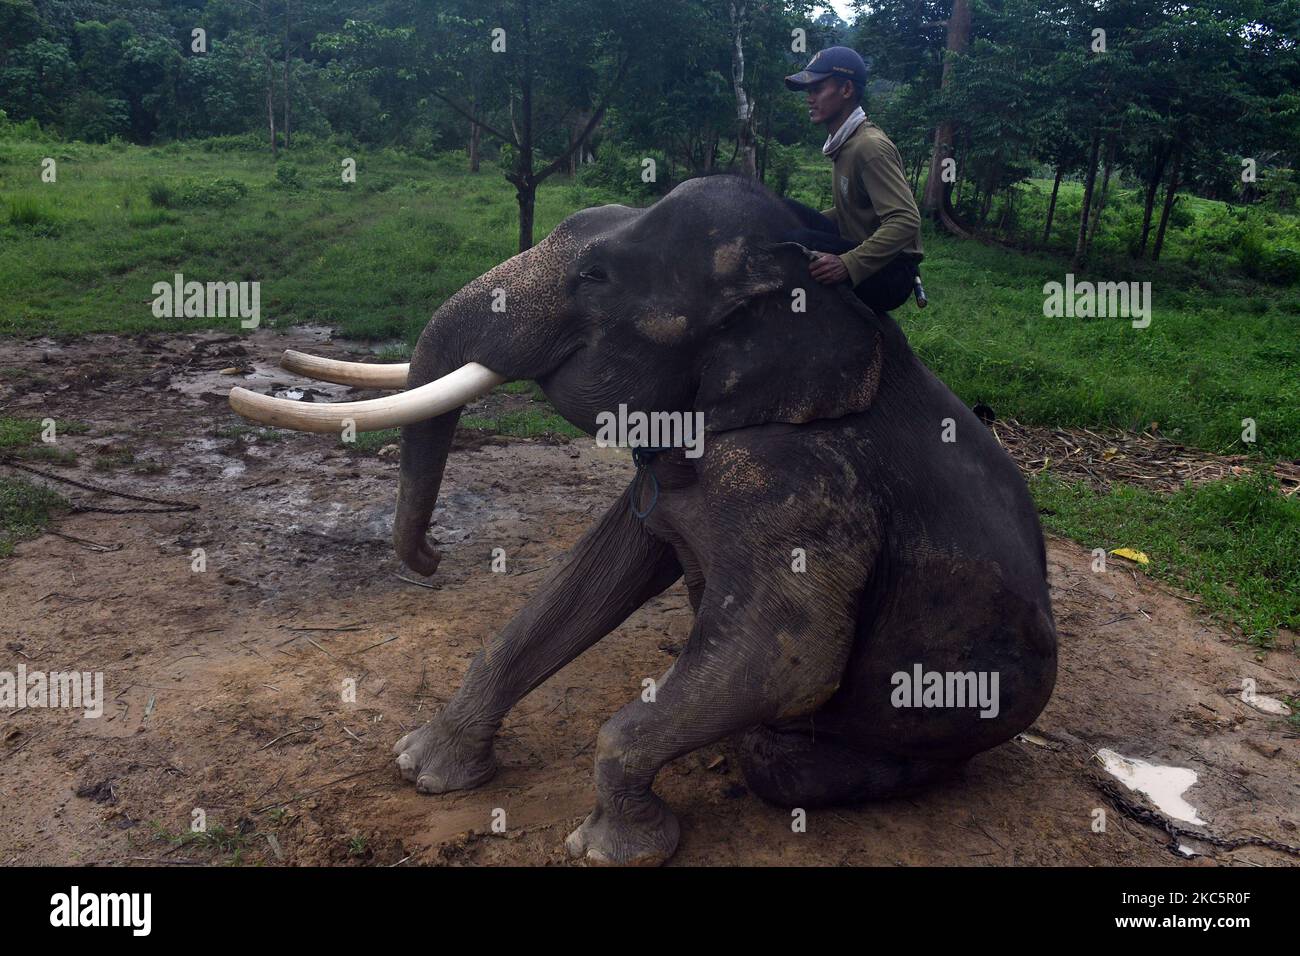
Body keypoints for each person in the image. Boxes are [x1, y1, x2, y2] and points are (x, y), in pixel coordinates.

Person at [782, 46, 924, 314]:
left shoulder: (869, 147)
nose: (809, 98)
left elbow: (906, 220)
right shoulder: (845, 144)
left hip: (891, 271)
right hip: (860, 244)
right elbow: (855, 207)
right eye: (808, 92)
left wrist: (848, 264)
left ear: (846, 90)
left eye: (817, 90)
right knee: (782, 211)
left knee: (793, 243)